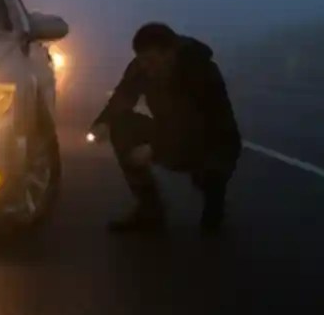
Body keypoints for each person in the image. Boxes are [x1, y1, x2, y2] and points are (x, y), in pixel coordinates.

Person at [90, 22, 241, 235]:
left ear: (171, 52)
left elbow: (196, 123)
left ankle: (214, 199)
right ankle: (149, 210)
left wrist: (155, 147)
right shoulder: (142, 66)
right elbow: (123, 96)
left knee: (210, 177)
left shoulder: (200, 69)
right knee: (121, 125)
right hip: (169, 134)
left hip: (211, 142)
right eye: (142, 61)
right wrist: (102, 123)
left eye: (152, 61)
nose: (147, 69)